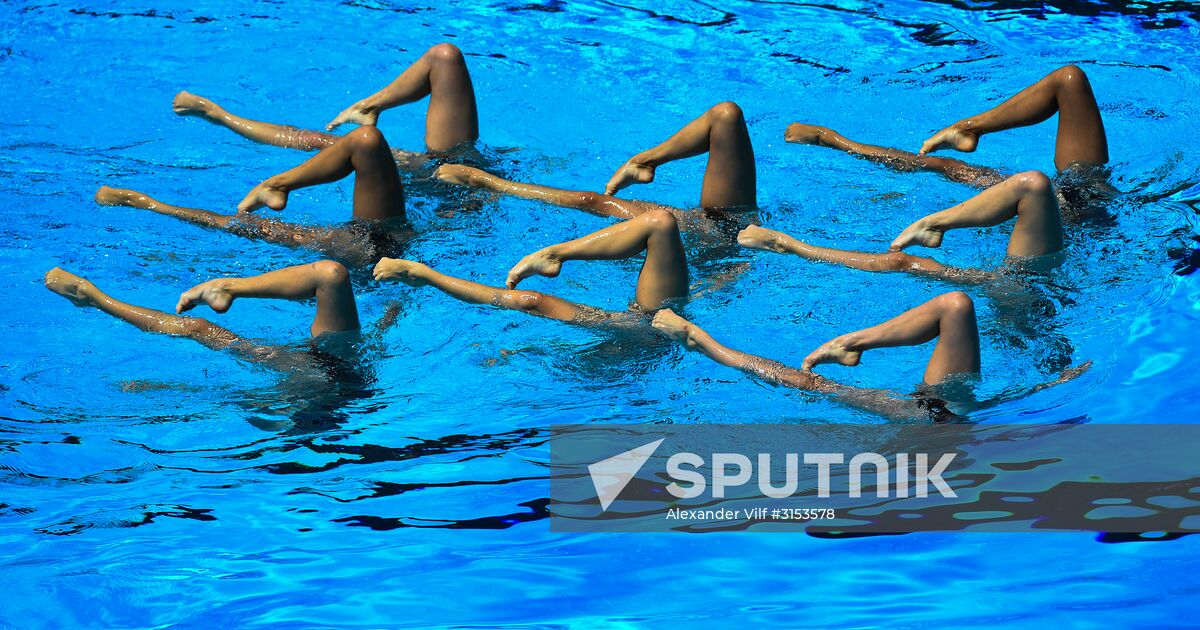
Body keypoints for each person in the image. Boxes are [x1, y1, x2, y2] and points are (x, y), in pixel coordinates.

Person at [650, 297, 1089, 421]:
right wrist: (1045, 389)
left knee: (813, 387)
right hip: (953, 410)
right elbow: (1003, 418)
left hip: (929, 417)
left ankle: (700, 341)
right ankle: (853, 343)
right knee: (956, 305)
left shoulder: (910, 438)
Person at [433, 101, 758, 254]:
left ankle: (643, 161)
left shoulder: (662, 226)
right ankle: (643, 161)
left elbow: (591, 201)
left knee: (727, 115)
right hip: (732, 221)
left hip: (723, 228)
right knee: (726, 116)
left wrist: (488, 181)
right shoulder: (671, 227)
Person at [784, 65, 1113, 214]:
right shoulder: (1065, 191)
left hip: (1068, 204)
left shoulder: (1033, 206)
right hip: (1087, 188)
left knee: (941, 165)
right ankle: (970, 128)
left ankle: (834, 142)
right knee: (1070, 80)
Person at [94, 123, 413, 266]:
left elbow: (397, 297)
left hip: (374, 253)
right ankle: (222, 119)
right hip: (393, 233)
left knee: (252, 227)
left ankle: (153, 205)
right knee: (367, 140)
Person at [373, 207, 689, 328]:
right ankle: (555, 254)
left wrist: (426, 274)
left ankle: (425, 275)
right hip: (657, 323)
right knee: (660, 222)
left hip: (648, 331)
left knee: (530, 300)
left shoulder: (644, 330)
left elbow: (529, 301)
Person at [736, 170, 1063, 285]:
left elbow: (898, 262)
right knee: (1032, 184)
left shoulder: (1001, 291)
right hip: (1031, 279)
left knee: (902, 263)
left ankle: (933, 223)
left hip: (1023, 283)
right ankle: (933, 223)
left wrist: (787, 243)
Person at [172, 42, 479, 163]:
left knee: (329, 141)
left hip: (445, 188)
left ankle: (218, 115)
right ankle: (369, 106)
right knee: (445, 57)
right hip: (454, 163)